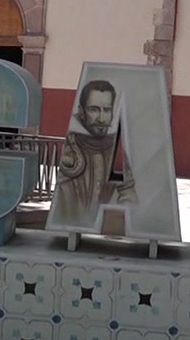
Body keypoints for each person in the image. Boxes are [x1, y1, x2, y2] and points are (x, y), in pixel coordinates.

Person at [54, 79, 136, 228]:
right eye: (94, 109)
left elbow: (129, 194)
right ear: (82, 111)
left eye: (107, 110)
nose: (101, 118)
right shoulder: (72, 149)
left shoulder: (116, 150)